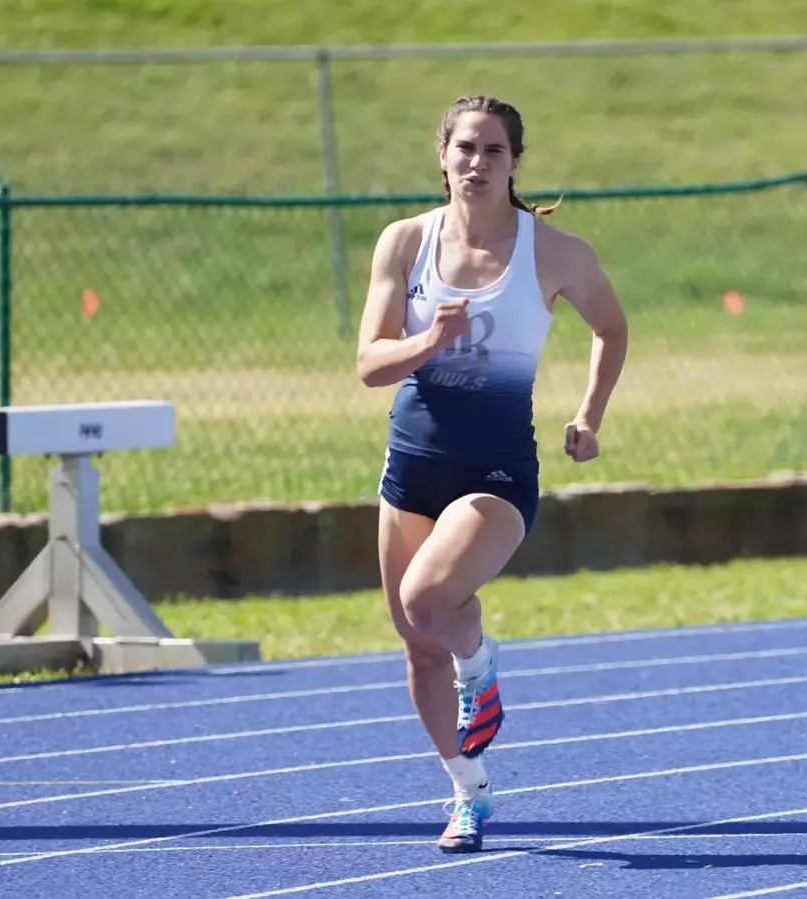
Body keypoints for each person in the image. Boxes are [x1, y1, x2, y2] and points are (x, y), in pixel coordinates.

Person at [355, 94, 628, 853]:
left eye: (494, 151)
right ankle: (468, 791)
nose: (478, 164)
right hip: (411, 462)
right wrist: (427, 343)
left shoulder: (556, 252)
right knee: (416, 642)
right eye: (465, 148)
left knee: (428, 600)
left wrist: (590, 415)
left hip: (497, 470)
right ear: (442, 155)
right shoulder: (405, 243)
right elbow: (369, 364)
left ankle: (481, 662)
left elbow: (611, 326)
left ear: (515, 162)